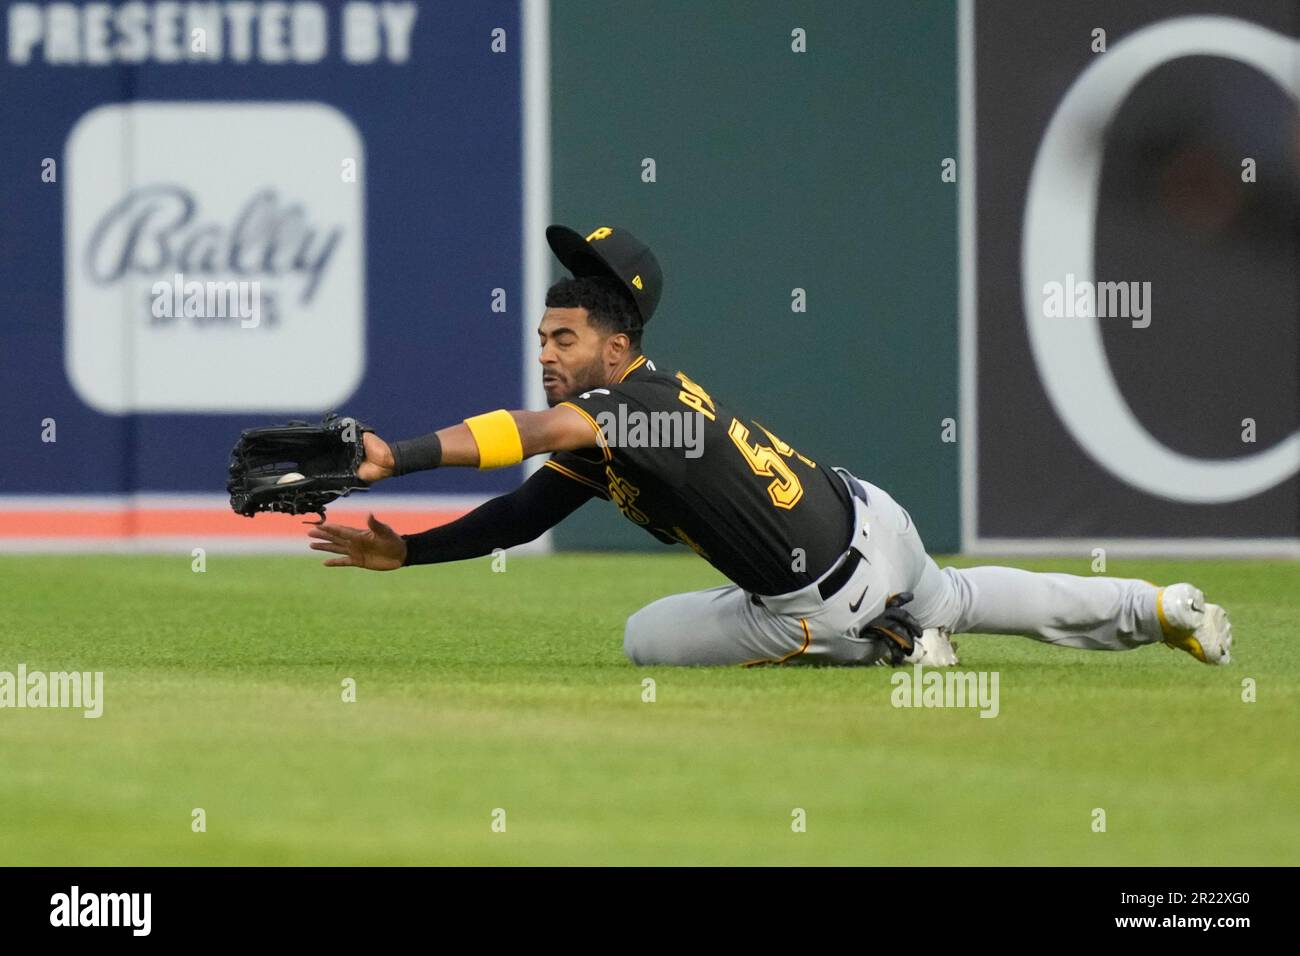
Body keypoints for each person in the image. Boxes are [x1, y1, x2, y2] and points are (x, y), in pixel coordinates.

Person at [305, 224, 1233, 668]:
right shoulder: (639, 405)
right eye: (543, 339)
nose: (547, 355)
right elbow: (525, 508)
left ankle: (895, 648)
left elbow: (535, 434)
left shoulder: (633, 403)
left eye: (565, 340)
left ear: (617, 347)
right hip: (874, 519)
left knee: (642, 640)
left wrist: (403, 457)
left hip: (821, 599)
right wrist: (411, 551)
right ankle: (1156, 607)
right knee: (962, 592)